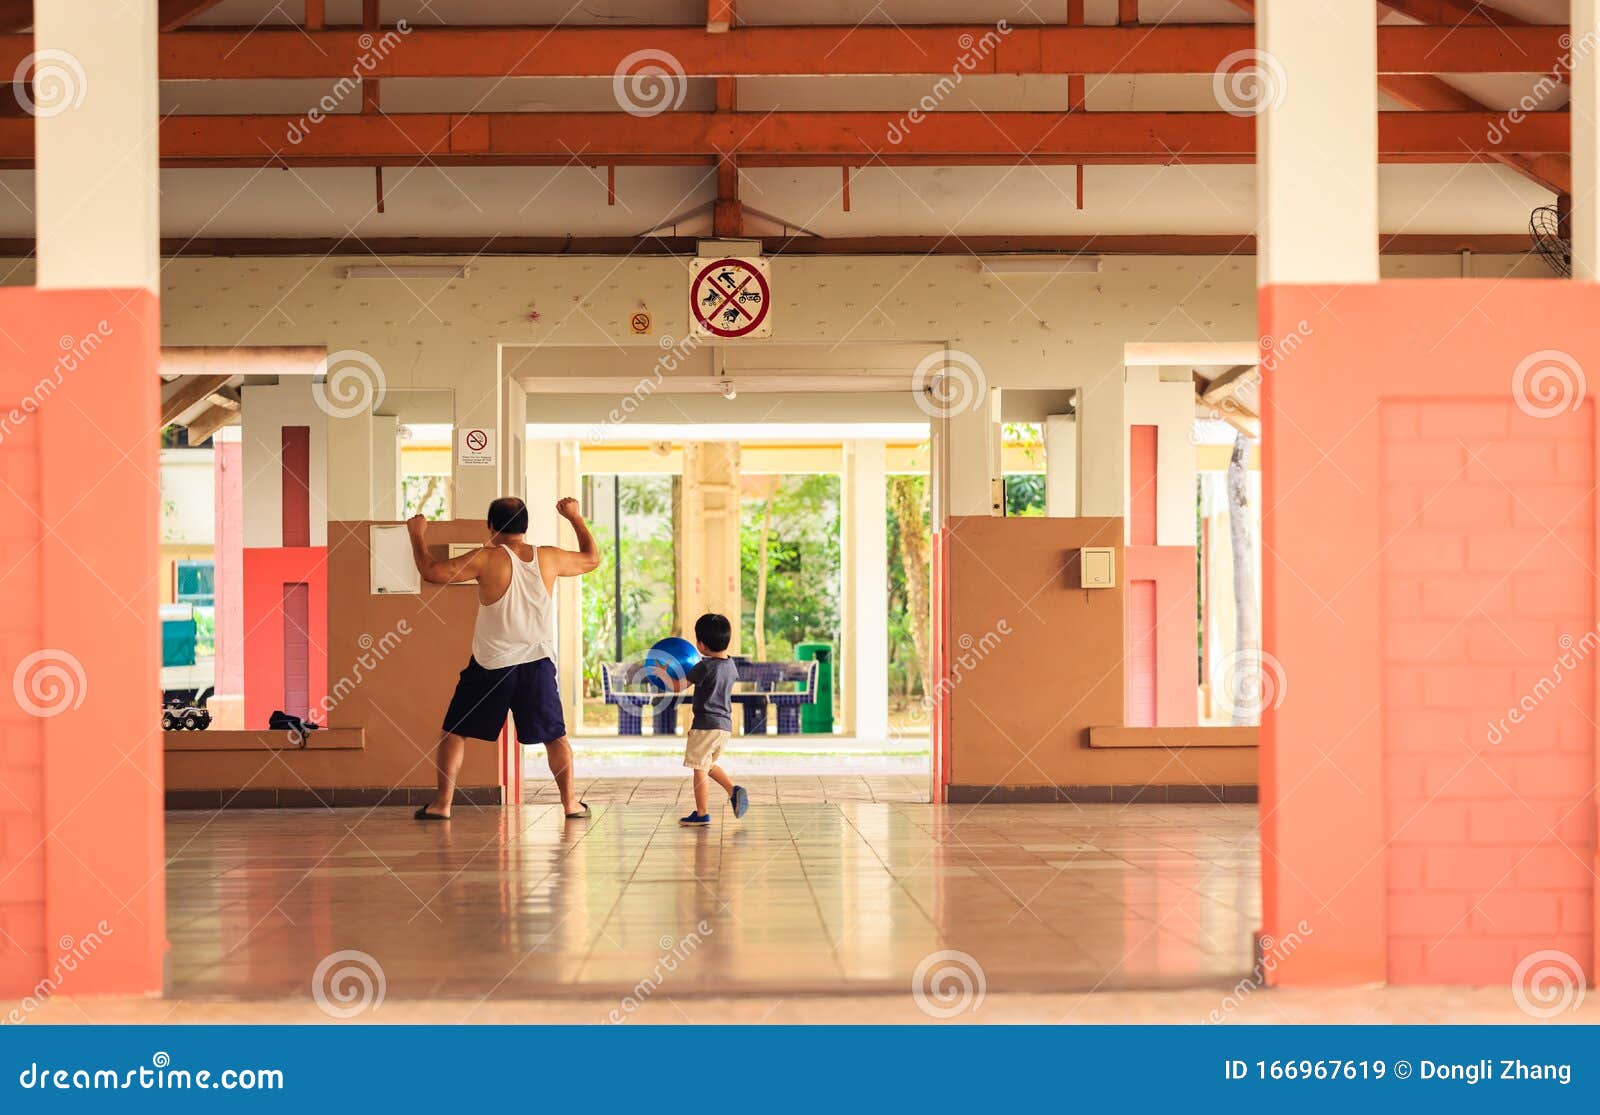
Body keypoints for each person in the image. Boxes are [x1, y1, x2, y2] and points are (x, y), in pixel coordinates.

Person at [408, 496, 598, 821]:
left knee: (455, 732)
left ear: (491, 526)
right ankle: (570, 804)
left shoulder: (486, 558)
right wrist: (574, 517)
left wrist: (417, 534)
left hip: (490, 665)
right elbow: (592, 559)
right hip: (537, 664)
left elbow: (432, 571)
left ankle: (442, 805)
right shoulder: (549, 557)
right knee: (555, 736)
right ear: (525, 526)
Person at [668, 613, 749, 827]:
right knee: (708, 764)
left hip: (706, 725)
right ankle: (733, 790)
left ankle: (702, 812)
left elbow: (679, 686)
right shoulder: (730, 665)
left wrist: (659, 674)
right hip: (724, 727)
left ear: (701, 644)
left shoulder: (704, 667)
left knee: (699, 769)